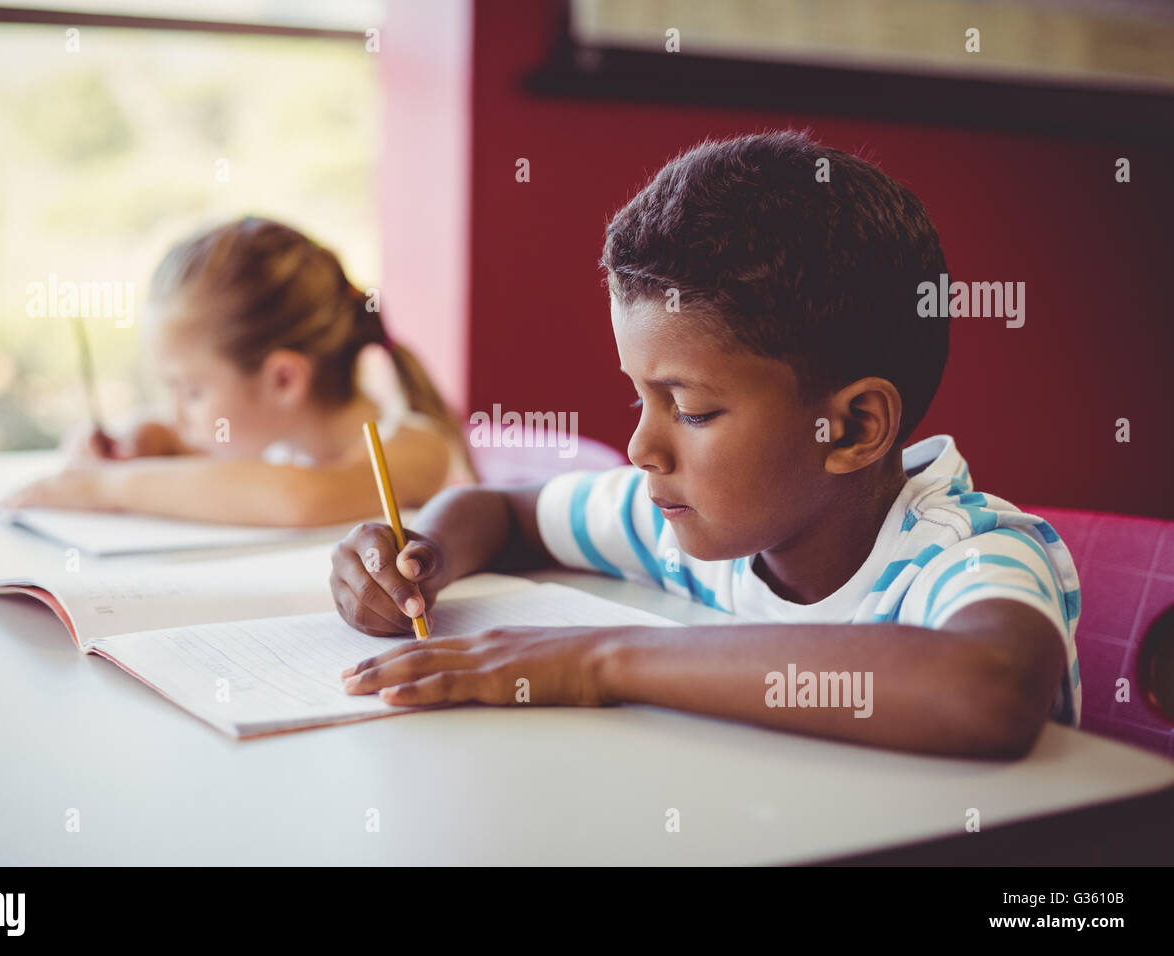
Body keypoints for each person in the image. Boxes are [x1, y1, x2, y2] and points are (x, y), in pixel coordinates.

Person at [328, 130, 1082, 759]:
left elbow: (989, 689)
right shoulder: (683, 521)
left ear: (850, 428)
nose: (638, 448)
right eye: (638, 396)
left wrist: (597, 660)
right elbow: (503, 510)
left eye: (689, 410)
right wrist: (418, 559)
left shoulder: (968, 554)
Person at [3, 217, 476, 525]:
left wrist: (104, 486)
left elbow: (301, 499)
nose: (179, 413)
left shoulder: (416, 448)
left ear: (284, 380)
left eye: (190, 391)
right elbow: (181, 438)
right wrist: (140, 437)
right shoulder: (282, 435)